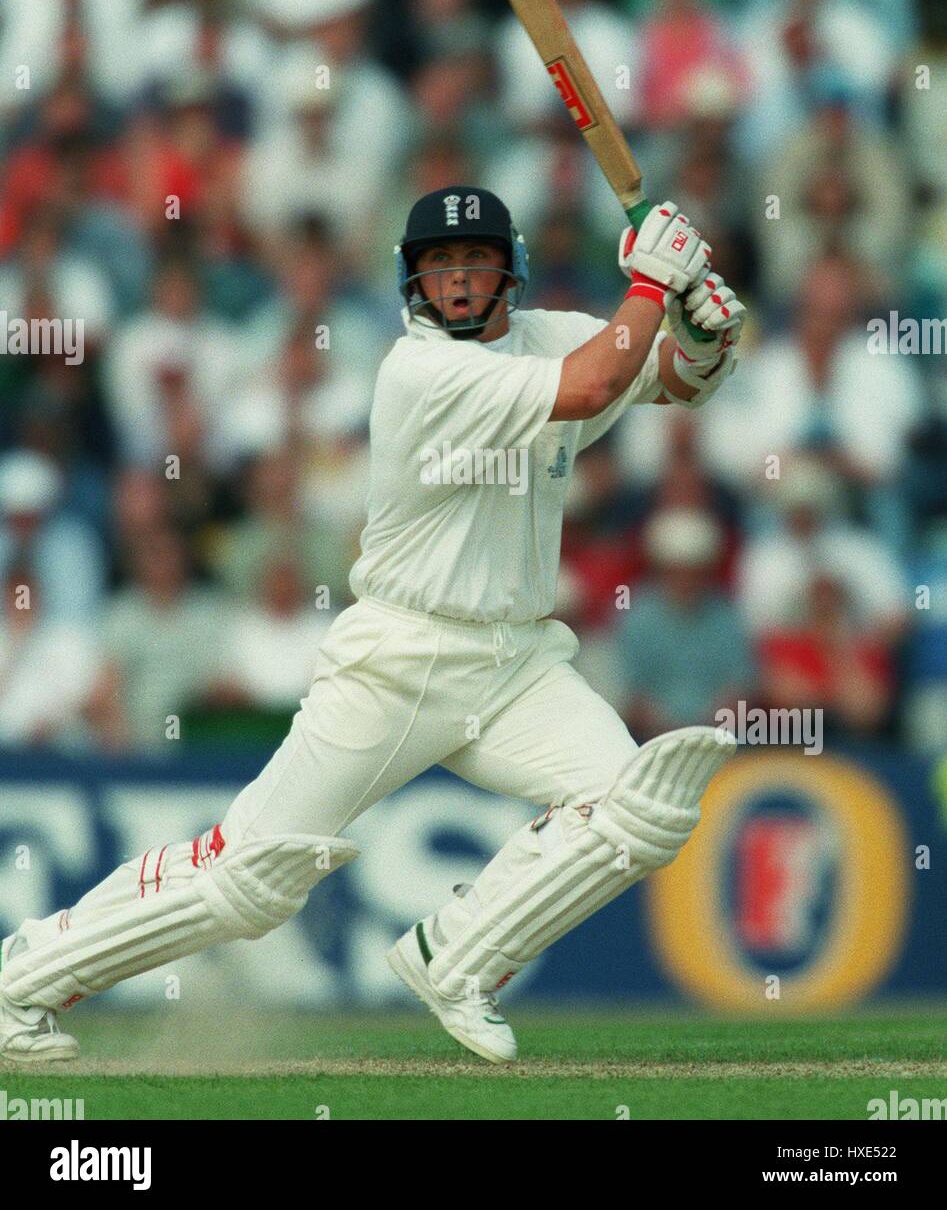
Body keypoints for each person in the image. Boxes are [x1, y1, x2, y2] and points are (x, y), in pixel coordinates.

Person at [0, 188, 745, 1065]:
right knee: (251, 879)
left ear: (510, 267)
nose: (456, 281)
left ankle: (459, 958)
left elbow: (669, 381)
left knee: (637, 807)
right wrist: (657, 285)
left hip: (517, 661)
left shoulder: (552, 334)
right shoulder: (419, 373)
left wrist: (704, 333)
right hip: (401, 656)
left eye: (472, 261)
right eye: (438, 265)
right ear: (411, 279)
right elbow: (598, 381)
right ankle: (21, 983)